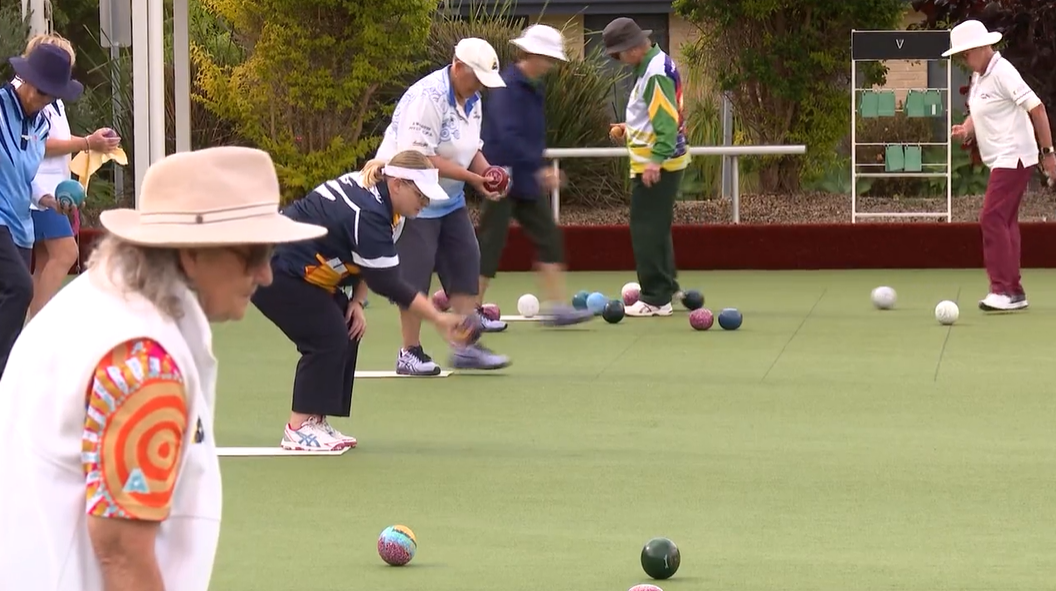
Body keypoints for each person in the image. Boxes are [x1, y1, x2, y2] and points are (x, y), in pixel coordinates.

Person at [0, 146, 327, 590]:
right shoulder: (144, 362)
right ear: (191, 252)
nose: (266, 273)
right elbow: (122, 553)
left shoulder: (96, 304)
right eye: (253, 251)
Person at [252, 150, 471, 451]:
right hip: (273, 269)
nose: (426, 202)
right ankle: (298, 427)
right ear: (397, 184)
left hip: (309, 273)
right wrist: (439, 318)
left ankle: (316, 420)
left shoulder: (389, 209)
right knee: (327, 335)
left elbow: (368, 264)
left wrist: (356, 301)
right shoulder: (367, 212)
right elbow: (390, 282)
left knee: (347, 326)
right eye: (420, 194)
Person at [376, 37, 511, 376]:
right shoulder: (428, 98)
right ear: (458, 66)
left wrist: (487, 172)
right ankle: (409, 351)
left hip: (449, 199)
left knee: (466, 261)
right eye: (476, 76)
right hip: (411, 196)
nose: (480, 84)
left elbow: (470, 149)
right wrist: (473, 179)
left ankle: (465, 347)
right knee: (414, 276)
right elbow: (420, 158)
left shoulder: (473, 99)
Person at [476, 25, 594, 327]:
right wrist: (539, 168)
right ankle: (471, 311)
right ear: (533, 54)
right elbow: (507, 135)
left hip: (526, 179)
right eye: (548, 58)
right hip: (500, 178)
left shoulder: (535, 87)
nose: (552, 65)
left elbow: (531, 135)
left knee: (549, 238)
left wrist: (535, 167)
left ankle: (557, 308)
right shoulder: (507, 86)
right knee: (490, 244)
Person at [944, 19, 1055, 312]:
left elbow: (1038, 108)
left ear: (982, 47)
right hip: (1003, 159)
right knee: (1004, 221)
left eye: (966, 53)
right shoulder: (981, 76)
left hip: (1015, 155)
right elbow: (978, 110)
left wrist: (1049, 154)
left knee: (992, 218)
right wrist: (966, 129)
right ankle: (1014, 291)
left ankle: (1003, 290)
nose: (963, 59)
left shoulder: (1003, 71)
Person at [13, 33, 122, 320]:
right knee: (66, 253)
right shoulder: (24, 95)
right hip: (35, 190)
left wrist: (93, 142)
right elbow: (40, 144)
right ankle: (36, 329)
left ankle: (29, 326)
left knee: (47, 260)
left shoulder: (53, 97)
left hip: (49, 191)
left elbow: (55, 137)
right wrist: (87, 143)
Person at [0, 42, 82, 379]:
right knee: (21, 288)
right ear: (24, 78)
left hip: (21, 226)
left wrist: (49, 201)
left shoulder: (40, 125)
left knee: (11, 304)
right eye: (40, 91)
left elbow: (26, 175)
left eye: (52, 94)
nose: (44, 100)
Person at [604, 17, 690, 317]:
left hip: (657, 164)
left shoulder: (654, 73)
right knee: (656, 227)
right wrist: (632, 128)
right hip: (661, 160)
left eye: (618, 54)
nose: (618, 60)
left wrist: (656, 160)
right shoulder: (656, 65)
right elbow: (656, 114)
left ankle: (655, 297)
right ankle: (667, 286)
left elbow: (666, 121)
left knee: (645, 229)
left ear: (632, 48)